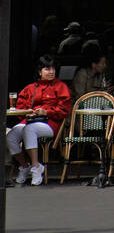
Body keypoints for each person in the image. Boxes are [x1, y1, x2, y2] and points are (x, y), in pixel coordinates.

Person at [7, 56, 71, 185]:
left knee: (29, 130)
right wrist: (28, 113)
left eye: (53, 68)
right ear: (39, 71)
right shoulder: (31, 88)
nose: (51, 71)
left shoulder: (61, 86)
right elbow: (20, 108)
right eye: (47, 69)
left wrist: (46, 112)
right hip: (29, 120)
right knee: (11, 136)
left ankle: (36, 167)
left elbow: (64, 110)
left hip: (50, 122)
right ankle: (25, 166)